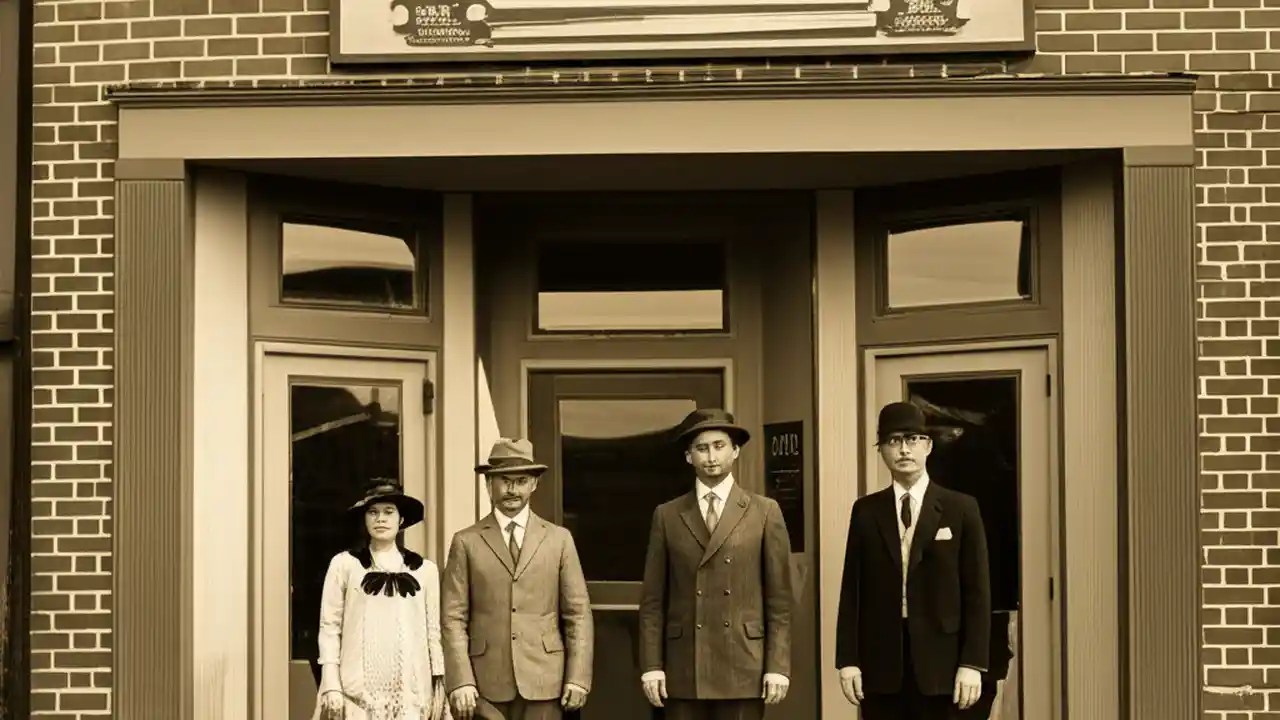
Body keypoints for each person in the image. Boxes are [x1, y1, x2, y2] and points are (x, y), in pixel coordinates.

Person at [835, 401, 992, 720]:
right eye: (893, 441)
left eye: (913, 439)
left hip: (944, 665)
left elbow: (978, 591)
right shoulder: (866, 511)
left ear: (928, 446)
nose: (904, 449)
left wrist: (973, 663)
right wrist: (848, 661)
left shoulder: (961, 508)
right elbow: (852, 589)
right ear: (881, 450)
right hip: (881, 664)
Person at [638, 408, 793, 720]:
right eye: (701, 448)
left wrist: (777, 666)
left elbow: (780, 601)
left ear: (735, 451)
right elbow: (653, 601)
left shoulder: (764, 512)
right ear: (688, 457)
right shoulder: (667, 515)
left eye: (719, 446)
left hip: (744, 664)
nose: (711, 457)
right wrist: (652, 666)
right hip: (684, 666)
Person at [441, 438, 593, 720]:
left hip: (546, 681)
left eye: (521, 481)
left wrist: (578, 677)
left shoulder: (559, 540)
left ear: (534, 484)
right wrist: (461, 680)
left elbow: (578, 613)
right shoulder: (466, 541)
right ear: (489, 483)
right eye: (504, 481)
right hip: (485, 683)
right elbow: (453, 617)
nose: (512, 490)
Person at [313, 478, 449, 720]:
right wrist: (331, 683)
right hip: (357, 694)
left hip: (411, 693)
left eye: (388, 512)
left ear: (401, 519)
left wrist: (438, 683)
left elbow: (433, 631)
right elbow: (330, 627)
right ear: (364, 519)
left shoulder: (424, 570)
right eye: (373, 512)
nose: (380, 519)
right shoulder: (345, 564)